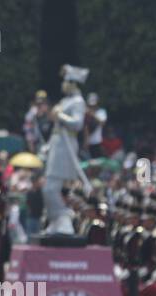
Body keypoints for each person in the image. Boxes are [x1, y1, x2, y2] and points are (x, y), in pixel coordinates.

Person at [42, 65, 89, 235]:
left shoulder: (78, 102)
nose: (63, 84)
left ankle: (63, 218)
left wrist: (60, 116)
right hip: (57, 143)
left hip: (66, 146)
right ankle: (56, 220)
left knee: (50, 188)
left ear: (73, 83)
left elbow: (77, 124)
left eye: (65, 81)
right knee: (49, 188)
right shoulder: (64, 101)